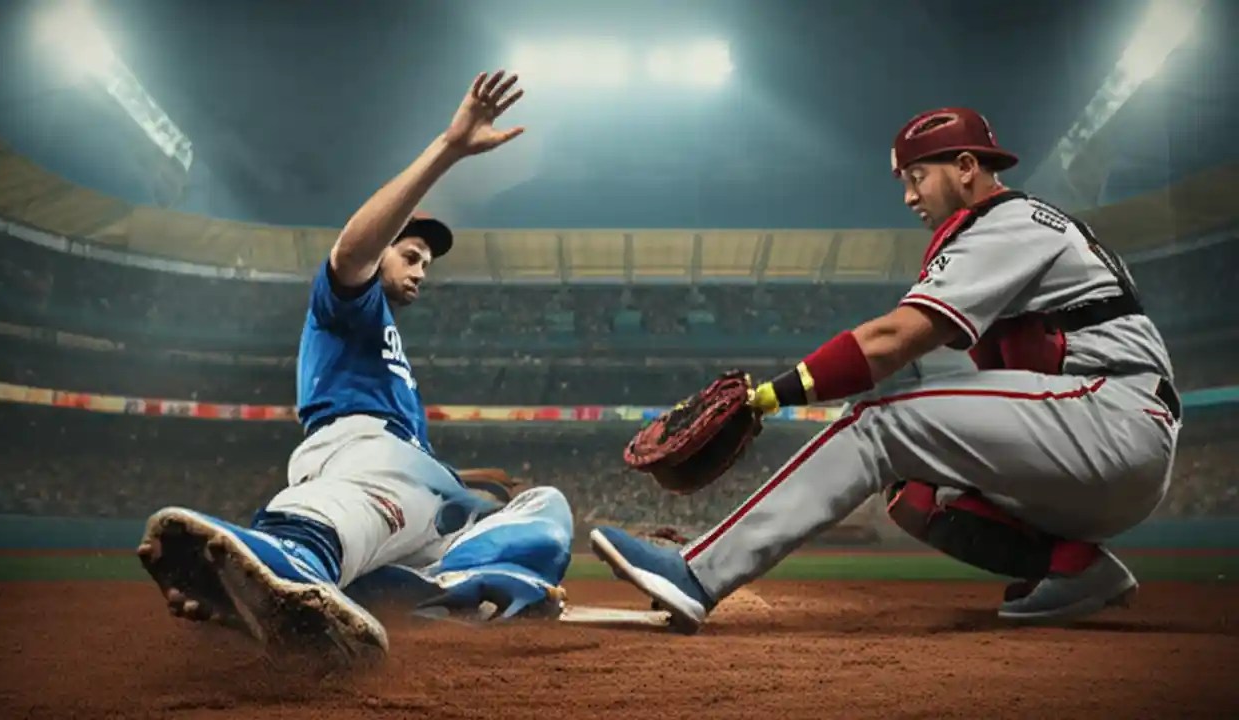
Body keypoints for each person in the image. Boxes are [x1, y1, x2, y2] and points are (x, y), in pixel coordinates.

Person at [591, 108, 1180, 633]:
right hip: (1095, 449)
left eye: (917, 175)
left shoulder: (1010, 221)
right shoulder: (1008, 232)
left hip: (1112, 417)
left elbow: (891, 341)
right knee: (922, 490)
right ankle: (1076, 568)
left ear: (968, 166)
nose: (908, 196)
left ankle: (696, 573)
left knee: (875, 424)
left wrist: (768, 397)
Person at [137, 70, 574, 664]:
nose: (421, 270)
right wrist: (448, 149)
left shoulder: (385, 337)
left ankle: (412, 598)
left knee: (545, 512)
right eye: (411, 254)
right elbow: (351, 252)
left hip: (415, 493)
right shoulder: (351, 305)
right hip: (359, 457)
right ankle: (288, 557)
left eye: (426, 263)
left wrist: (468, 479)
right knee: (379, 491)